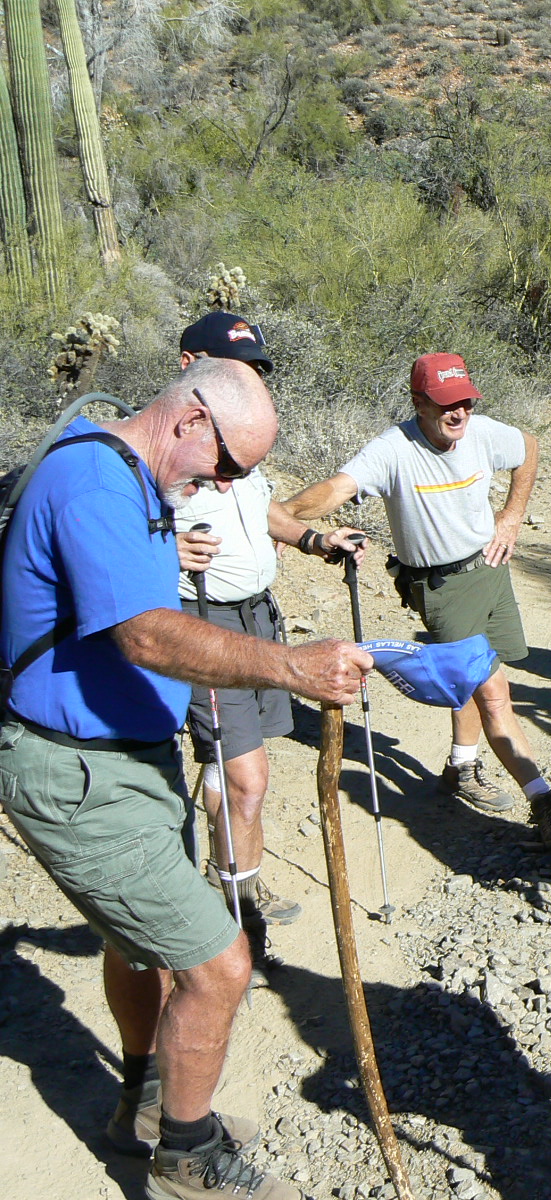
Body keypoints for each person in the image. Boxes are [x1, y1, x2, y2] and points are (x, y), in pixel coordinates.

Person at [0, 357, 370, 1200]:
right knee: (220, 965)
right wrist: (291, 668)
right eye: (228, 465)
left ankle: (145, 1104)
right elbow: (147, 636)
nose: (225, 485)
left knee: (142, 946)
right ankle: (187, 1157)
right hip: (79, 774)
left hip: (125, 761)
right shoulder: (97, 484)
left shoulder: (125, 469)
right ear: (190, 420)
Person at [282, 352, 551, 848]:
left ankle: (461, 767)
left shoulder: (482, 432)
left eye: (464, 400)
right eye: (446, 403)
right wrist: (287, 520)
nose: (459, 412)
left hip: (489, 568)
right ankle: (545, 802)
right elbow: (338, 488)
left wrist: (511, 517)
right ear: (418, 401)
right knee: (493, 693)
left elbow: (528, 447)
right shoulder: (394, 449)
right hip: (441, 587)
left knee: (474, 678)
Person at [172, 312, 366, 981]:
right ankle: (232, 921)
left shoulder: (235, 433)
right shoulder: (163, 445)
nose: (248, 378)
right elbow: (109, 530)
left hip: (260, 618)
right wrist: (164, 545)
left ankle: (238, 884)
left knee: (245, 776)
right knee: (241, 779)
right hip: (202, 622)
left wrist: (314, 539)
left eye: (255, 368)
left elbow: (260, 506)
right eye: (236, 367)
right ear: (189, 363)